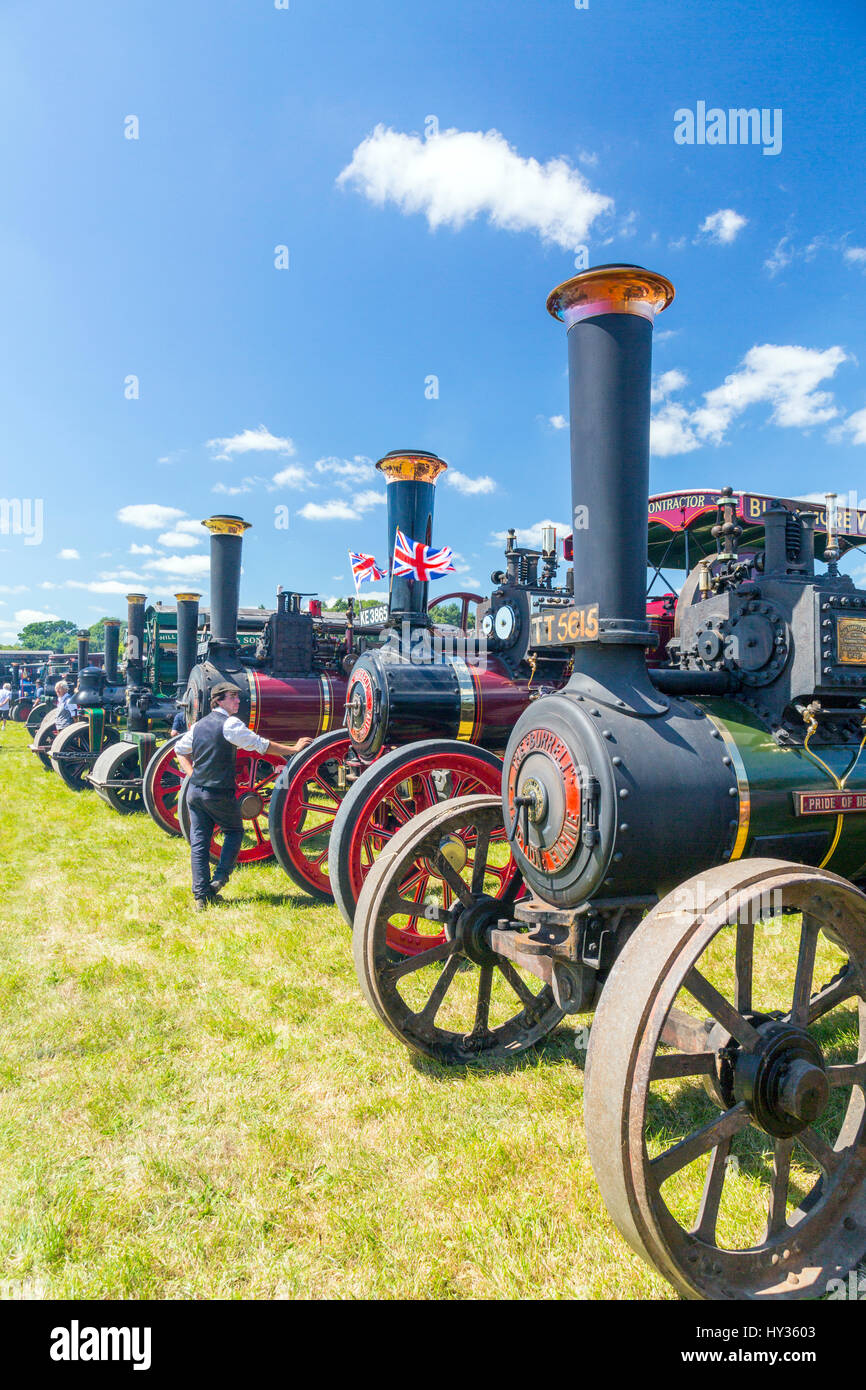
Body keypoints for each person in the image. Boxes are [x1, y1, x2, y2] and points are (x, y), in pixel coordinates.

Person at [174, 681, 311, 911]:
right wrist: (294, 750)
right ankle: (219, 879)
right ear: (219, 700)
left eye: (238, 697)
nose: (238, 700)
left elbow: (179, 750)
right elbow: (261, 746)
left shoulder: (198, 726)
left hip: (194, 793)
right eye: (232, 697)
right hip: (218, 793)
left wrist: (192, 775)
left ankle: (201, 896)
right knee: (235, 832)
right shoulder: (230, 724)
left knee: (199, 843)